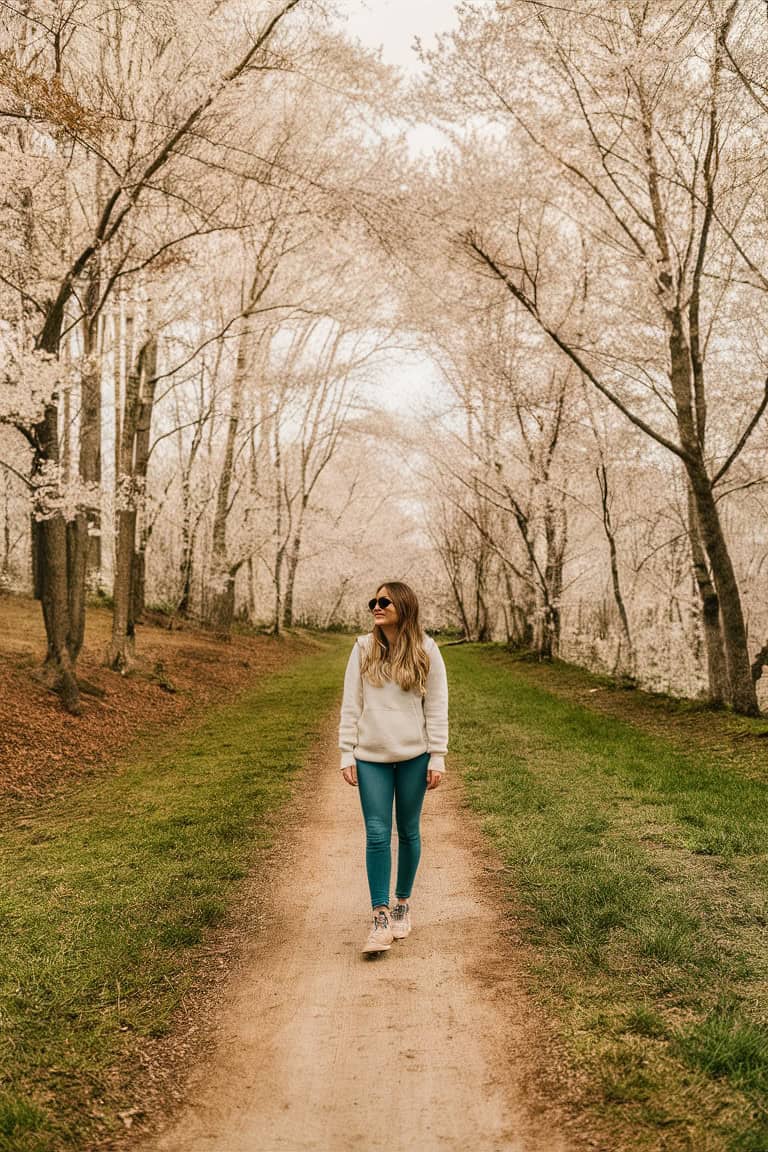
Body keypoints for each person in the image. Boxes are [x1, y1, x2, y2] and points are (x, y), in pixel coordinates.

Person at [339, 580, 449, 956]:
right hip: (371, 757)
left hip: (414, 757)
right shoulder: (363, 649)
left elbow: (436, 706)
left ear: (403, 605)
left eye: (384, 600)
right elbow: (350, 704)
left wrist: (437, 755)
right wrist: (346, 752)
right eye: (373, 600)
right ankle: (380, 915)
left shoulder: (426, 650)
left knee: (408, 829)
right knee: (376, 833)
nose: (376, 606)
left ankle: (402, 903)